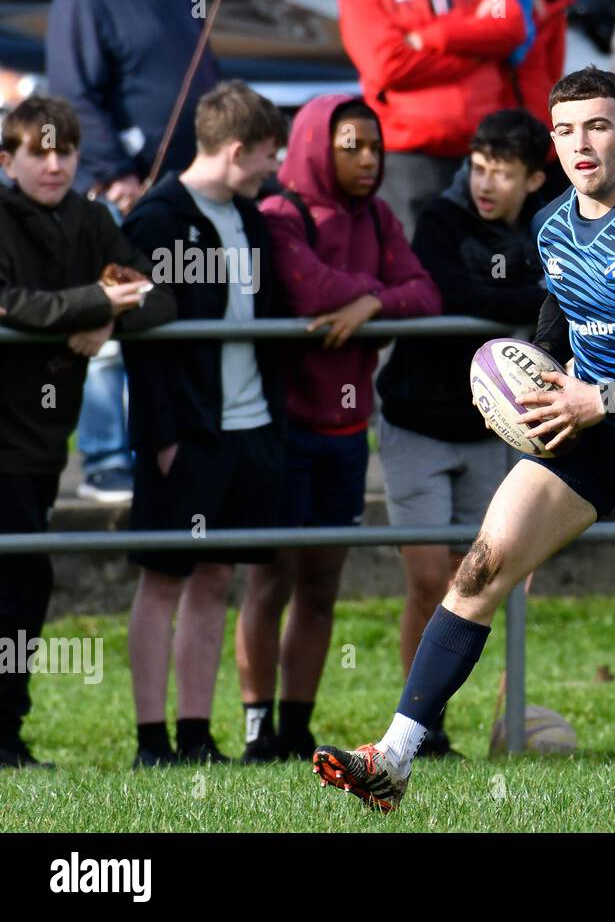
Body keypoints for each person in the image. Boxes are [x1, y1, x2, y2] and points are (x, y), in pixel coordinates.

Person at [311, 67, 615, 811]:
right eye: (568, 129)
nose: (584, 142)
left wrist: (599, 399)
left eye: (600, 126)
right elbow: (558, 318)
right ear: (554, 140)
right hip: (588, 435)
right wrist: (517, 394)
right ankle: (395, 756)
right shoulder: (550, 224)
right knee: (480, 568)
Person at [236, 95, 442, 764]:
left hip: (348, 430)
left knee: (322, 584)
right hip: (285, 427)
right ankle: (256, 728)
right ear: (315, 146)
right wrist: (365, 291)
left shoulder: (379, 215)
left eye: (375, 147)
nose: (367, 159)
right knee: (271, 581)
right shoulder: (279, 212)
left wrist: (373, 301)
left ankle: (296, 726)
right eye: (351, 145)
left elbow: (424, 293)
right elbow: (306, 287)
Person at [0, 96, 175, 768]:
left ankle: (8, 731)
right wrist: (94, 302)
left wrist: (109, 320)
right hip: (5, 442)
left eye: (64, 151)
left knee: (24, 585)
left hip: (44, 439)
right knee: (21, 582)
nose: (53, 164)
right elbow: (13, 304)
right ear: (7, 159)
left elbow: (159, 295)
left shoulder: (92, 219)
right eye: (38, 152)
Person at [376, 109, 551, 758]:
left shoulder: (546, 226)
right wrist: (525, 298)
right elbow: (450, 296)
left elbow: (556, 295)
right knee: (426, 579)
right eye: (478, 168)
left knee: (475, 579)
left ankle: (452, 723)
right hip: (416, 424)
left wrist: (517, 296)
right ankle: (421, 730)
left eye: (502, 174)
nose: (485, 184)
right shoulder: (440, 219)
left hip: (488, 435)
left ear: (534, 178)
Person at [121, 82, 287, 766]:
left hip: (249, 430)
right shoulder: (156, 219)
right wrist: (161, 438)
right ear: (237, 150)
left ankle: (195, 734)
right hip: (187, 436)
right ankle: (150, 740)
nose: (274, 171)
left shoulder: (251, 220)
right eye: (268, 158)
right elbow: (140, 338)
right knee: (163, 578)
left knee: (217, 577)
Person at [47, 0, 222, 502]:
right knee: (109, 318)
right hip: (117, 198)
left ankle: (161, 447)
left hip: (179, 200)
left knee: (168, 322)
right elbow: (74, 95)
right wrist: (114, 173)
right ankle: (103, 457)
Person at [336, 0, 528, 238]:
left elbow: (507, 23)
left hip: (485, 149)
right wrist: (479, 53)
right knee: (419, 266)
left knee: (489, 266)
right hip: (411, 158)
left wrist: (433, 37)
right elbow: (386, 65)